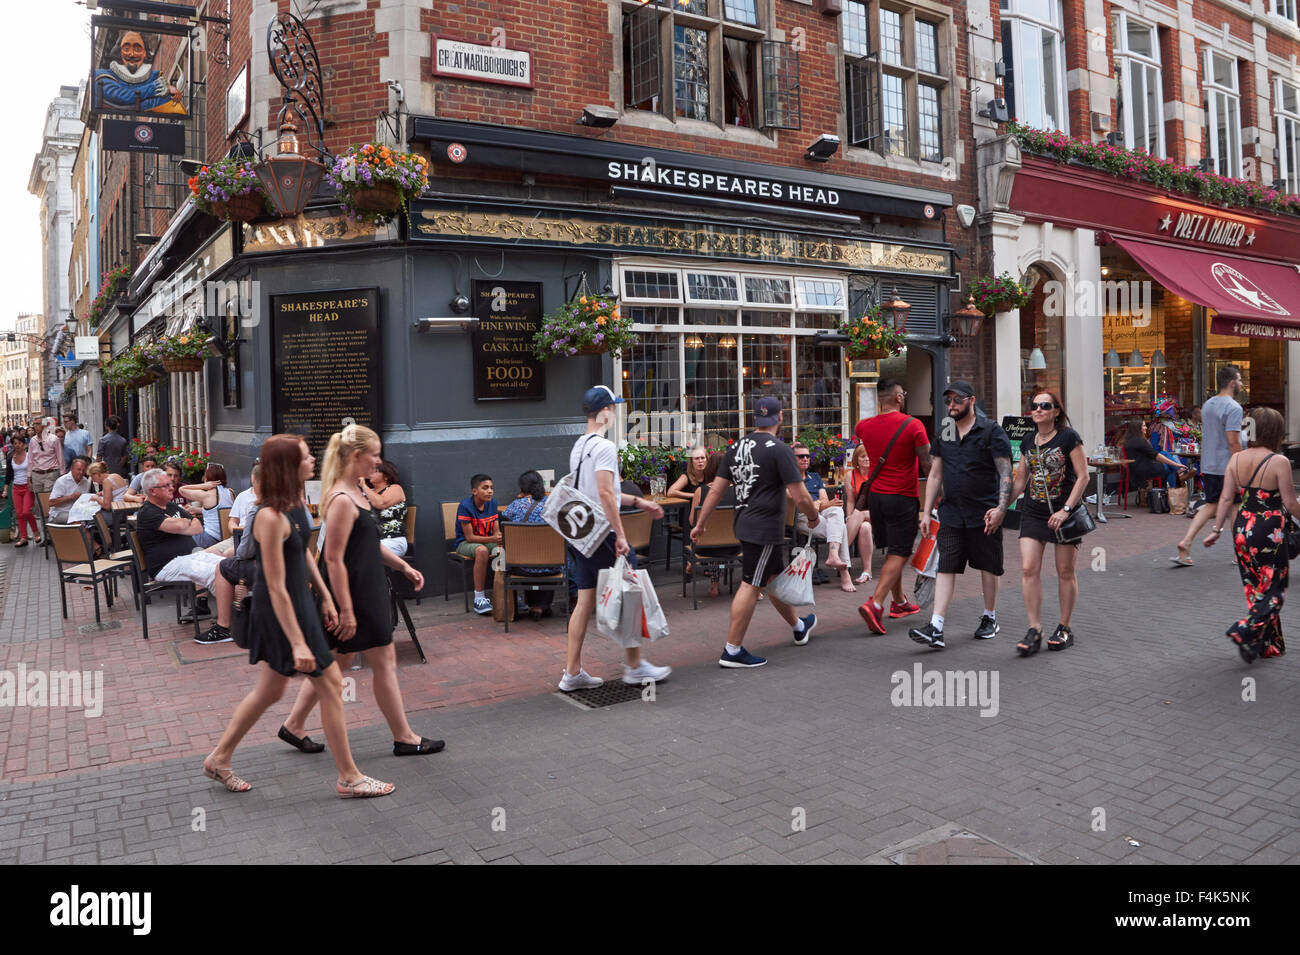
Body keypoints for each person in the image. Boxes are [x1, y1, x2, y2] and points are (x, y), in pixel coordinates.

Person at [203, 434, 393, 798]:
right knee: (331, 685)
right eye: (306, 457)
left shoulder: (295, 504)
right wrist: (296, 643)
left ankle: (219, 758)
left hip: (300, 608)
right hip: (280, 614)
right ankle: (349, 778)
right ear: (289, 466)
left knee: (270, 691)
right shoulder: (269, 517)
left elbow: (305, 554)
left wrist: (325, 596)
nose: (312, 461)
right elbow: (275, 586)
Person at [280, 425, 441, 758]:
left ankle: (294, 725)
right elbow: (335, 559)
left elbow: (366, 545)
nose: (379, 461)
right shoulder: (341, 498)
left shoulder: (358, 491)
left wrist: (403, 566)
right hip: (354, 593)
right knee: (379, 660)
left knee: (337, 663)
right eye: (375, 454)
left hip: (362, 589)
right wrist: (346, 609)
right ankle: (404, 737)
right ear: (356, 456)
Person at [693, 397, 820, 667]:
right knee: (751, 584)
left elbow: (716, 490)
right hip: (763, 527)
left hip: (744, 523)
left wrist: (701, 522)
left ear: (755, 418)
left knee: (772, 577)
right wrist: (813, 516)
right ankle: (732, 650)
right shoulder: (781, 450)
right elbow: (800, 495)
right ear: (781, 417)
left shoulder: (736, 447)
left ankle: (798, 626)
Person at [559, 385, 669, 690]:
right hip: (606, 535)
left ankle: (572, 672)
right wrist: (621, 536)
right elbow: (605, 492)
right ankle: (634, 666)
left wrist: (638, 502)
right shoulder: (605, 448)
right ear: (605, 411)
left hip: (583, 536)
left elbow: (595, 493)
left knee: (584, 600)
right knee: (631, 593)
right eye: (614, 408)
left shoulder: (579, 446)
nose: (615, 413)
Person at [909, 381, 1013, 649]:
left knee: (988, 566)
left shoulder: (991, 431)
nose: (952, 405)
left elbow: (1005, 473)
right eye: (949, 401)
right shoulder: (944, 431)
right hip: (951, 512)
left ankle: (990, 617)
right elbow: (935, 473)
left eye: (957, 400)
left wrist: (1001, 509)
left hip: (984, 512)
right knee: (946, 566)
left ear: (972, 400)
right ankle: (936, 626)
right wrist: (925, 511)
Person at [1204, 407, 1295, 662]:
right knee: (1275, 588)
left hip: (1242, 528)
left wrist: (1216, 529)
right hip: (1269, 532)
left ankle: (1268, 643)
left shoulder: (1236, 459)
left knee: (1255, 587)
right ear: (1275, 432)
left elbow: (1225, 498)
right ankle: (1245, 630)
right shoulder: (1279, 461)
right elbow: (1290, 502)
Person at [1008, 391, 1089, 655]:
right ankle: (1035, 629)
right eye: (1034, 406)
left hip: (1064, 514)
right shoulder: (1028, 440)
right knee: (1029, 568)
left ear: (1056, 411)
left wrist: (1066, 509)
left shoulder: (1069, 438)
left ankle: (1065, 627)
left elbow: (1083, 477)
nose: (1039, 409)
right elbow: (1020, 480)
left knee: (1064, 571)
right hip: (1033, 511)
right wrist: (1000, 507)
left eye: (1045, 406)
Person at [853, 379, 930, 635]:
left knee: (892, 550)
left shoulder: (863, 426)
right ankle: (875, 603)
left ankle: (899, 603)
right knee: (900, 551)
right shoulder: (913, 425)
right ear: (898, 397)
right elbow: (927, 462)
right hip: (901, 496)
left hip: (875, 497)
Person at [136, 468, 238, 645]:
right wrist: (183, 523)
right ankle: (225, 627)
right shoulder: (148, 512)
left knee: (225, 564)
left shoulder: (171, 506)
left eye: (170, 484)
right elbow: (184, 525)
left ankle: (239, 615)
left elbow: (197, 527)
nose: (171, 487)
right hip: (168, 565)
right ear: (152, 491)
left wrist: (182, 523)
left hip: (188, 556)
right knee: (217, 572)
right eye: (165, 485)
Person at [1175, 365, 1243, 566]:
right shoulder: (1234, 408)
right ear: (1232, 383)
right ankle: (1239, 552)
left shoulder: (1208, 405)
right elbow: (1233, 441)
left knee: (1211, 505)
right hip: (1228, 466)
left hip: (1209, 464)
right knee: (1237, 506)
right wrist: (1240, 466)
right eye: (1239, 380)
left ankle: (1186, 542)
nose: (1241, 384)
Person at [790, 442, 856, 593]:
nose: (805, 459)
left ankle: (833, 554)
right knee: (842, 529)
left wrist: (819, 504)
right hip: (801, 517)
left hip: (820, 514)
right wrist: (819, 504)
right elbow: (801, 505)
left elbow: (825, 502)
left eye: (807, 456)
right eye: (800, 456)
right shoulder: (789, 480)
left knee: (838, 512)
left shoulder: (815, 477)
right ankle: (844, 572)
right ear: (792, 459)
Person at [501, 469, 559, 619]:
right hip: (551, 566)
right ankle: (542, 606)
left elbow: (503, 521)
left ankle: (535, 606)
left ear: (522, 488)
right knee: (553, 554)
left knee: (530, 555)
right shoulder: (553, 504)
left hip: (521, 566)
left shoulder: (515, 506)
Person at [454, 473, 501, 615]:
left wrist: (498, 541)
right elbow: (469, 537)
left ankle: (507, 593)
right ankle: (479, 598)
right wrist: (493, 539)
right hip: (465, 543)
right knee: (482, 551)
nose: (490, 491)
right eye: (485, 488)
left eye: (491, 488)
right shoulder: (465, 506)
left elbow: (496, 530)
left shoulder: (492, 503)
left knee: (503, 551)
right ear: (474, 491)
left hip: (487, 541)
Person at [1121, 419, 1189, 512]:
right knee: (1170, 468)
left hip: (1136, 469)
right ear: (1138, 428)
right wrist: (1176, 464)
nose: (1146, 428)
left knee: (1164, 453)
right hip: (1145, 469)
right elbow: (1155, 455)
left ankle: (1178, 475)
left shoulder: (1128, 441)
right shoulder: (1140, 441)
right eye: (1144, 426)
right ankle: (1172, 495)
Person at [179, 463, 235, 548]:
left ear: (207, 478)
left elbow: (182, 490)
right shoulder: (230, 492)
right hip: (225, 536)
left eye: (204, 476)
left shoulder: (208, 494)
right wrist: (196, 509)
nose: (202, 478)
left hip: (210, 538)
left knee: (183, 531)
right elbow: (219, 511)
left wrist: (204, 485)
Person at [842, 442, 875, 584]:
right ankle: (867, 571)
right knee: (865, 528)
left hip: (879, 514)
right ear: (857, 459)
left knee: (859, 514)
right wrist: (850, 516)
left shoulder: (877, 474)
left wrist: (853, 517)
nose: (867, 459)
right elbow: (850, 501)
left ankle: (841, 554)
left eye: (869, 456)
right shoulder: (850, 476)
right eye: (863, 456)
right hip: (862, 516)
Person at [360, 459, 408, 556]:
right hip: (372, 540)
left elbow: (381, 503)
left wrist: (363, 486)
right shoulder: (367, 493)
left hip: (393, 540)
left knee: (363, 553)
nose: (371, 472)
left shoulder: (395, 488)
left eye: (375, 470)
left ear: (386, 476)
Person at [2, 435, 38, 546]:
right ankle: (23, 537)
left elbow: (35, 470)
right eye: (15, 443)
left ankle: (36, 532)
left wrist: (32, 482)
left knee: (26, 511)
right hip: (16, 488)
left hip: (27, 487)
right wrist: (5, 490)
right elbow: (8, 475)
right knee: (19, 514)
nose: (17, 445)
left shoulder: (29, 456)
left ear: (24, 444)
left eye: (19, 443)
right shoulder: (10, 457)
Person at [26, 418, 65, 497]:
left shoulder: (54, 439)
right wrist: (28, 476)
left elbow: (60, 457)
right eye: (34, 424)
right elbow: (30, 459)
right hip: (36, 474)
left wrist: (62, 475)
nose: (36, 426)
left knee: (48, 499)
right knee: (38, 501)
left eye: (38, 424)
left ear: (45, 425)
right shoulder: (33, 441)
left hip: (50, 473)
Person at [47, 456, 92, 523]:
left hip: (78, 512)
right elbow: (51, 503)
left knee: (95, 518)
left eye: (83, 470)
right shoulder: (62, 481)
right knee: (76, 520)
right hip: (60, 512)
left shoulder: (85, 482)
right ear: (72, 469)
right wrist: (70, 497)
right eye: (79, 469)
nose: (81, 472)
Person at [228, 465, 260, 549]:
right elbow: (232, 521)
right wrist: (237, 530)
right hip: (237, 537)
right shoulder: (242, 496)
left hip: (254, 540)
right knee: (208, 552)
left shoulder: (271, 497)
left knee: (226, 554)